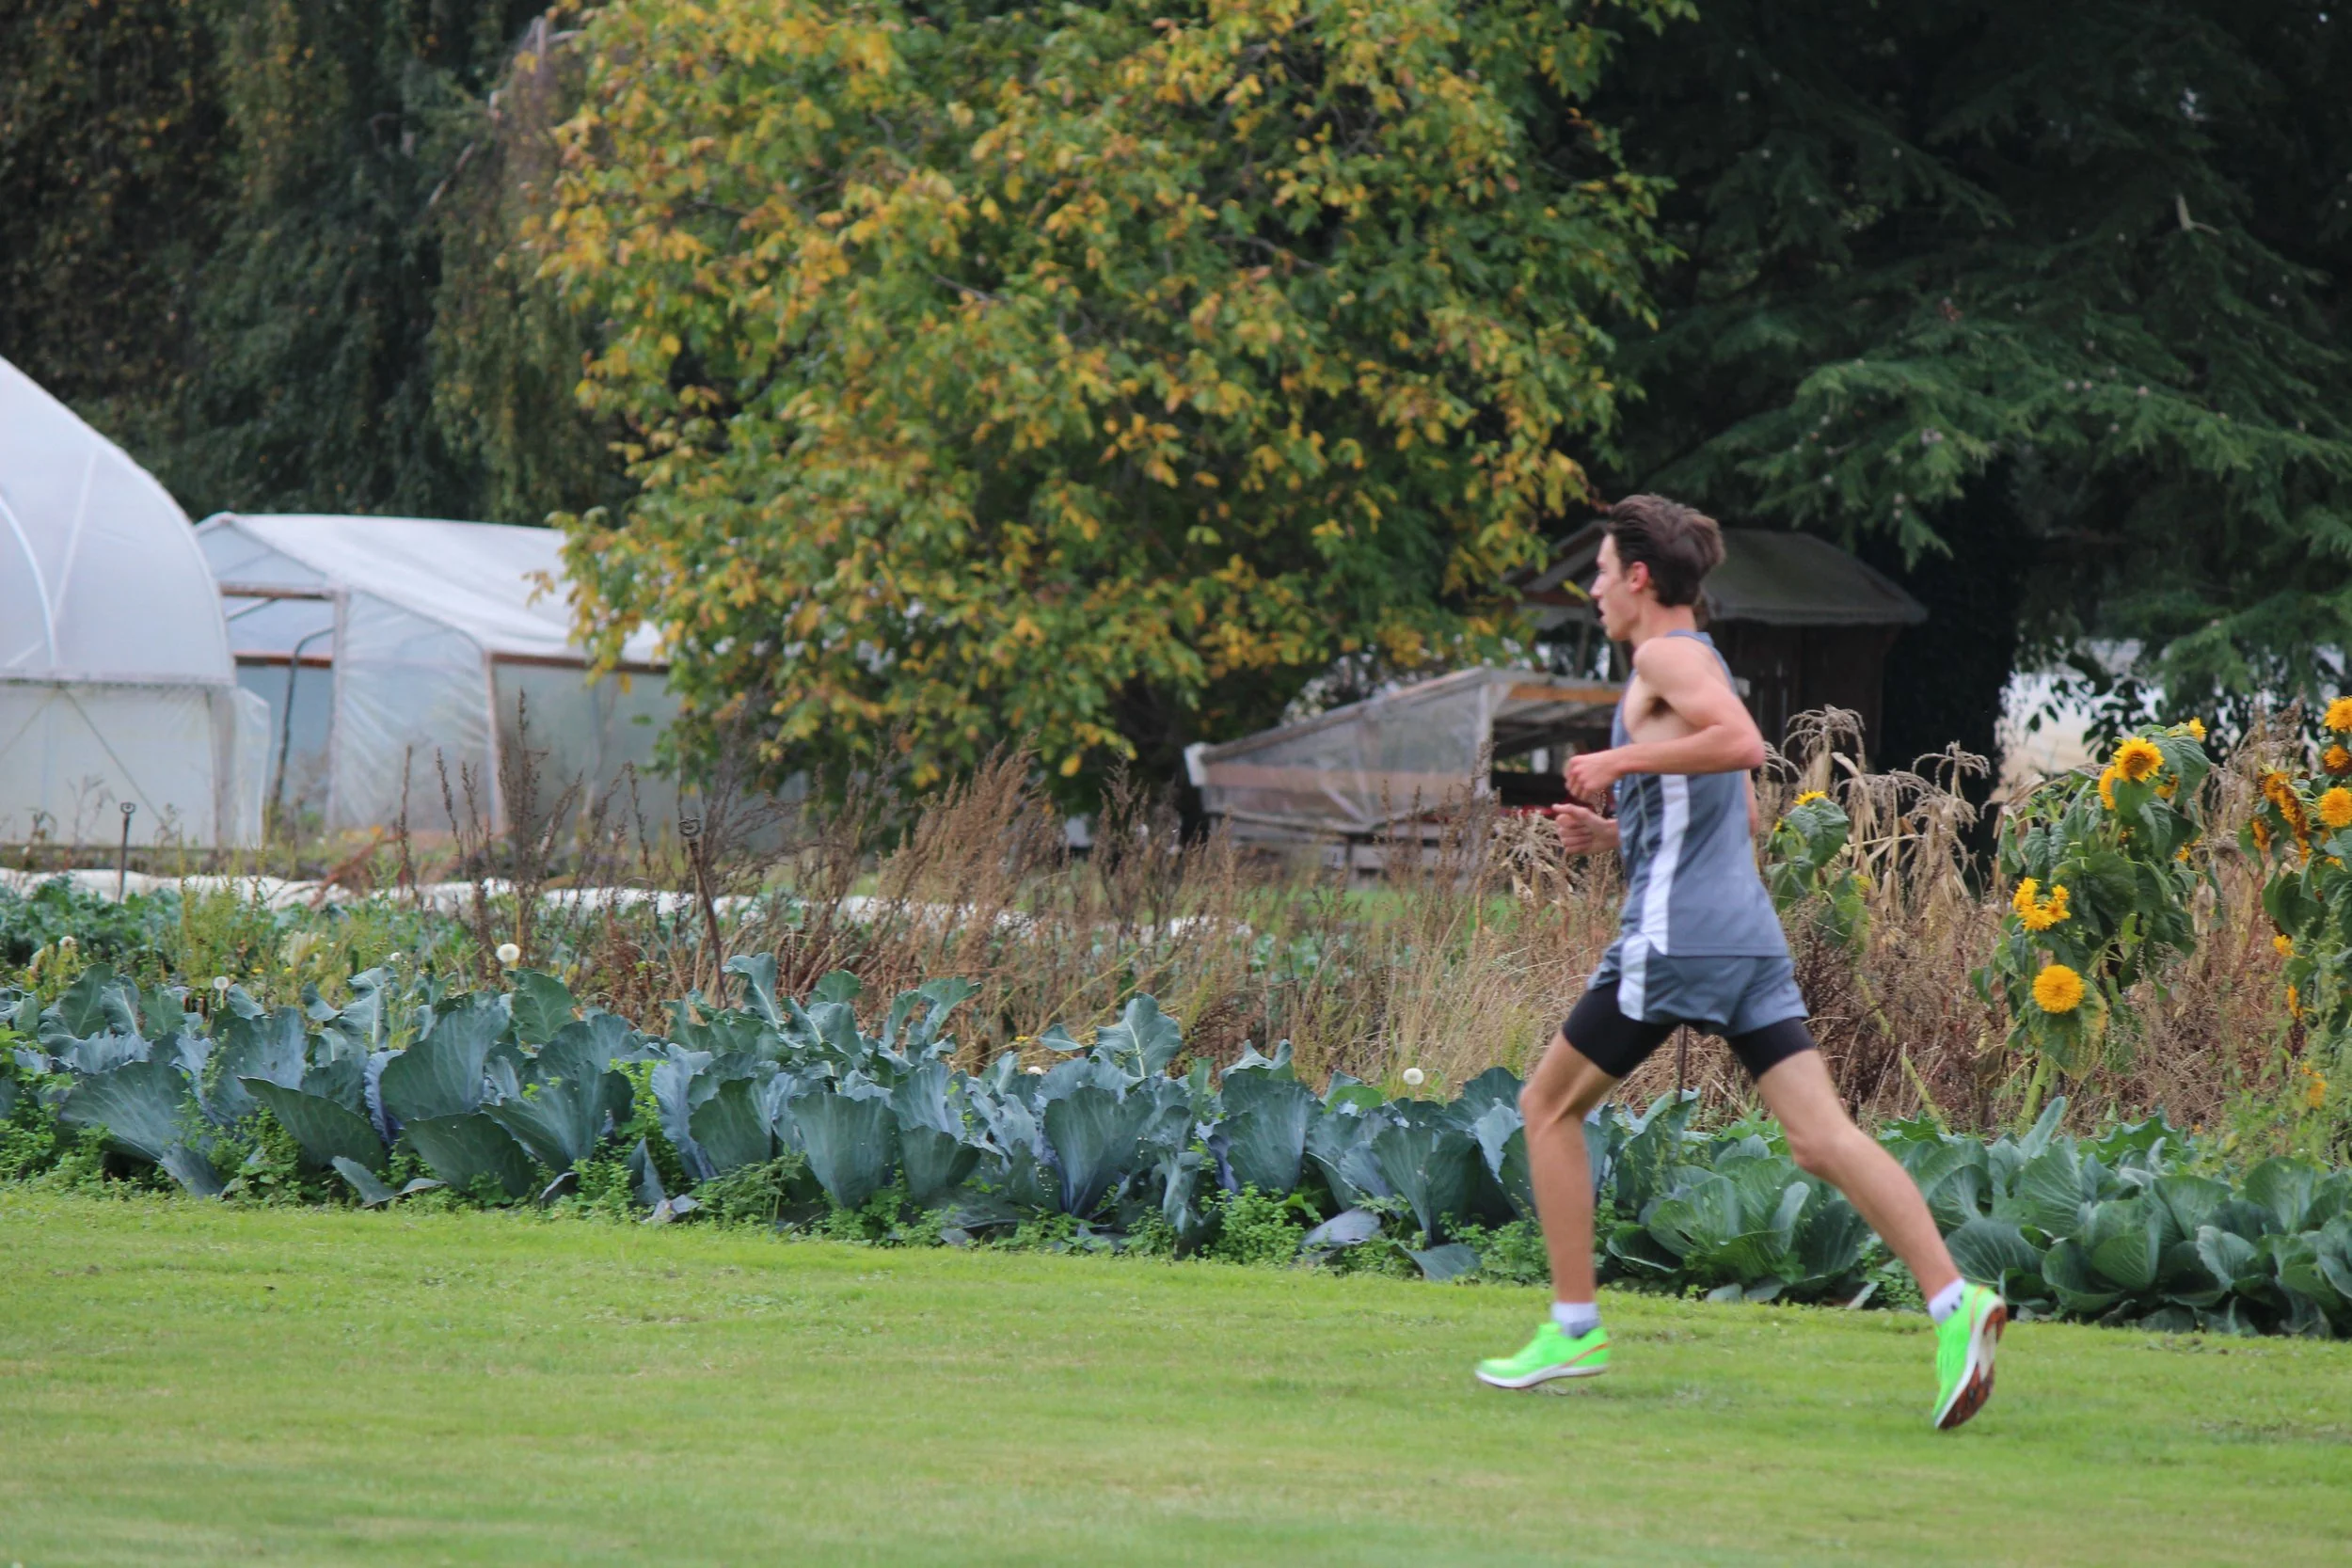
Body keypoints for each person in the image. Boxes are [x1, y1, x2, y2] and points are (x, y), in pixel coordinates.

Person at [1473, 495, 2005, 1432]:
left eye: (1601, 571)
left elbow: (1743, 745)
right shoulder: (1702, 659)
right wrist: (1617, 831)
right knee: (1820, 1138)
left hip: (1678, 938)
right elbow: (1743, 811)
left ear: (1640, 577)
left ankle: (1573, 1326)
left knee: (1546, 1106)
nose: (1593, 588)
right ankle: (1955, 1301)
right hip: (1744, 935)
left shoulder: (1663, 658)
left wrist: (1616, 765)